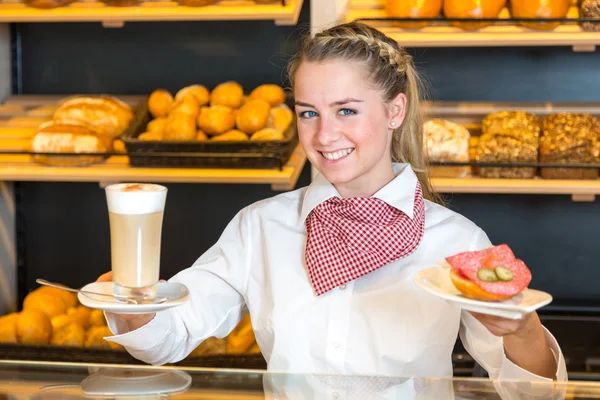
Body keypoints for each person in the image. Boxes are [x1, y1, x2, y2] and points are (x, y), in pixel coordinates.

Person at [100, 21, 566, 387]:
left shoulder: (456, 242)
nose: (324, 135)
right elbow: (171, 337)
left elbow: (528, 391)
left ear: (395, 111)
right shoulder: (260, 228)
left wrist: (522, 330)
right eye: (309, 113)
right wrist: (136, 304)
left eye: (346, 110)